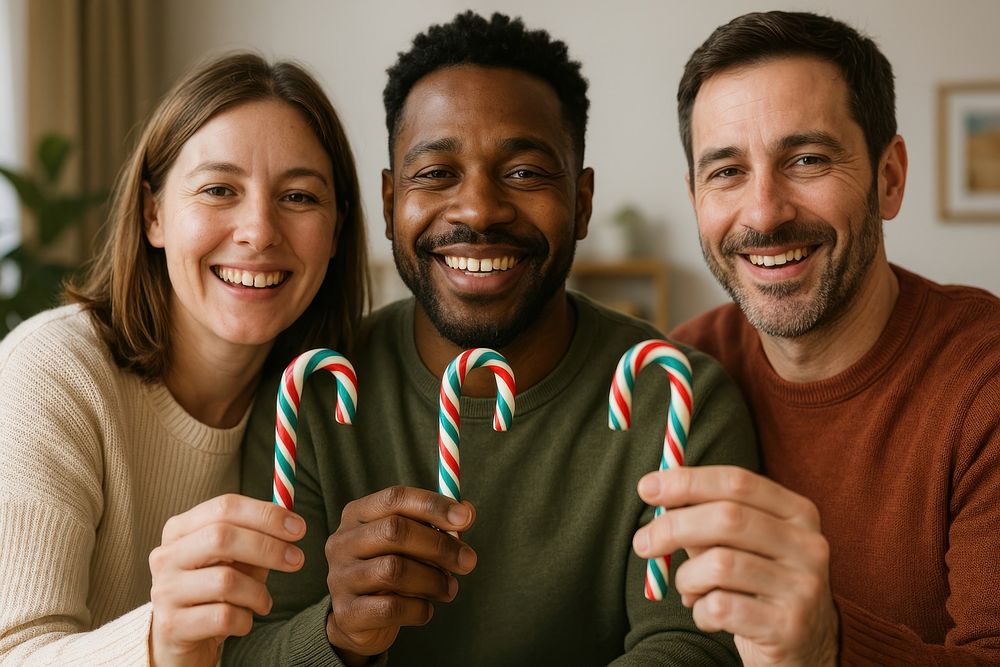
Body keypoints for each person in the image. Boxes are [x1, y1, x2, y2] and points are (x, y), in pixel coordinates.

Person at [225, 11, 758, 667]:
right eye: (435, 173)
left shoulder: (676, 400)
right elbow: (246, 650)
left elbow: (692, 645)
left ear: (583, 201)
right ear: (391, 203)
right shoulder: (311, 397)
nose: (477, 211)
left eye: (525, 173)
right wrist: (340, 634)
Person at [638, 10, 1000, 666]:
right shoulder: (683, 373)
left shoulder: (985, 382)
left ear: (888, 179)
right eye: (726, 171)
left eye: (806, 158)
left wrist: (829, 645)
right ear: (694, 196)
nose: (763, 211)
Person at [0, 52, 368, 665]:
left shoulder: (329, 402)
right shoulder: (52, 375)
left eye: (299, 196)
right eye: (219, 189)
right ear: (153, 214)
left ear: (335, 231)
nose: (258, 231)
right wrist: (157, 643)